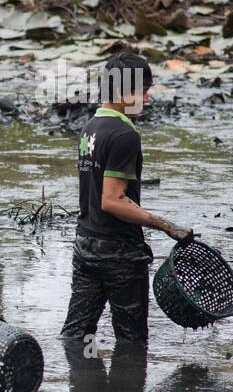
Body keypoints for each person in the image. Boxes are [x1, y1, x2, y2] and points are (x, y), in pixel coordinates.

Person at [60, 51, 192, 343]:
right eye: (143, 92)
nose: (146, 100)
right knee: (131, 342)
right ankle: (128, 389)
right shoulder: (124, 135)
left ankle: (78, 385)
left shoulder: (90, 127)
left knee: (75, 334)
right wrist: (166, 225)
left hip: (85, 246)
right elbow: (112, 200)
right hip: (119, 253)